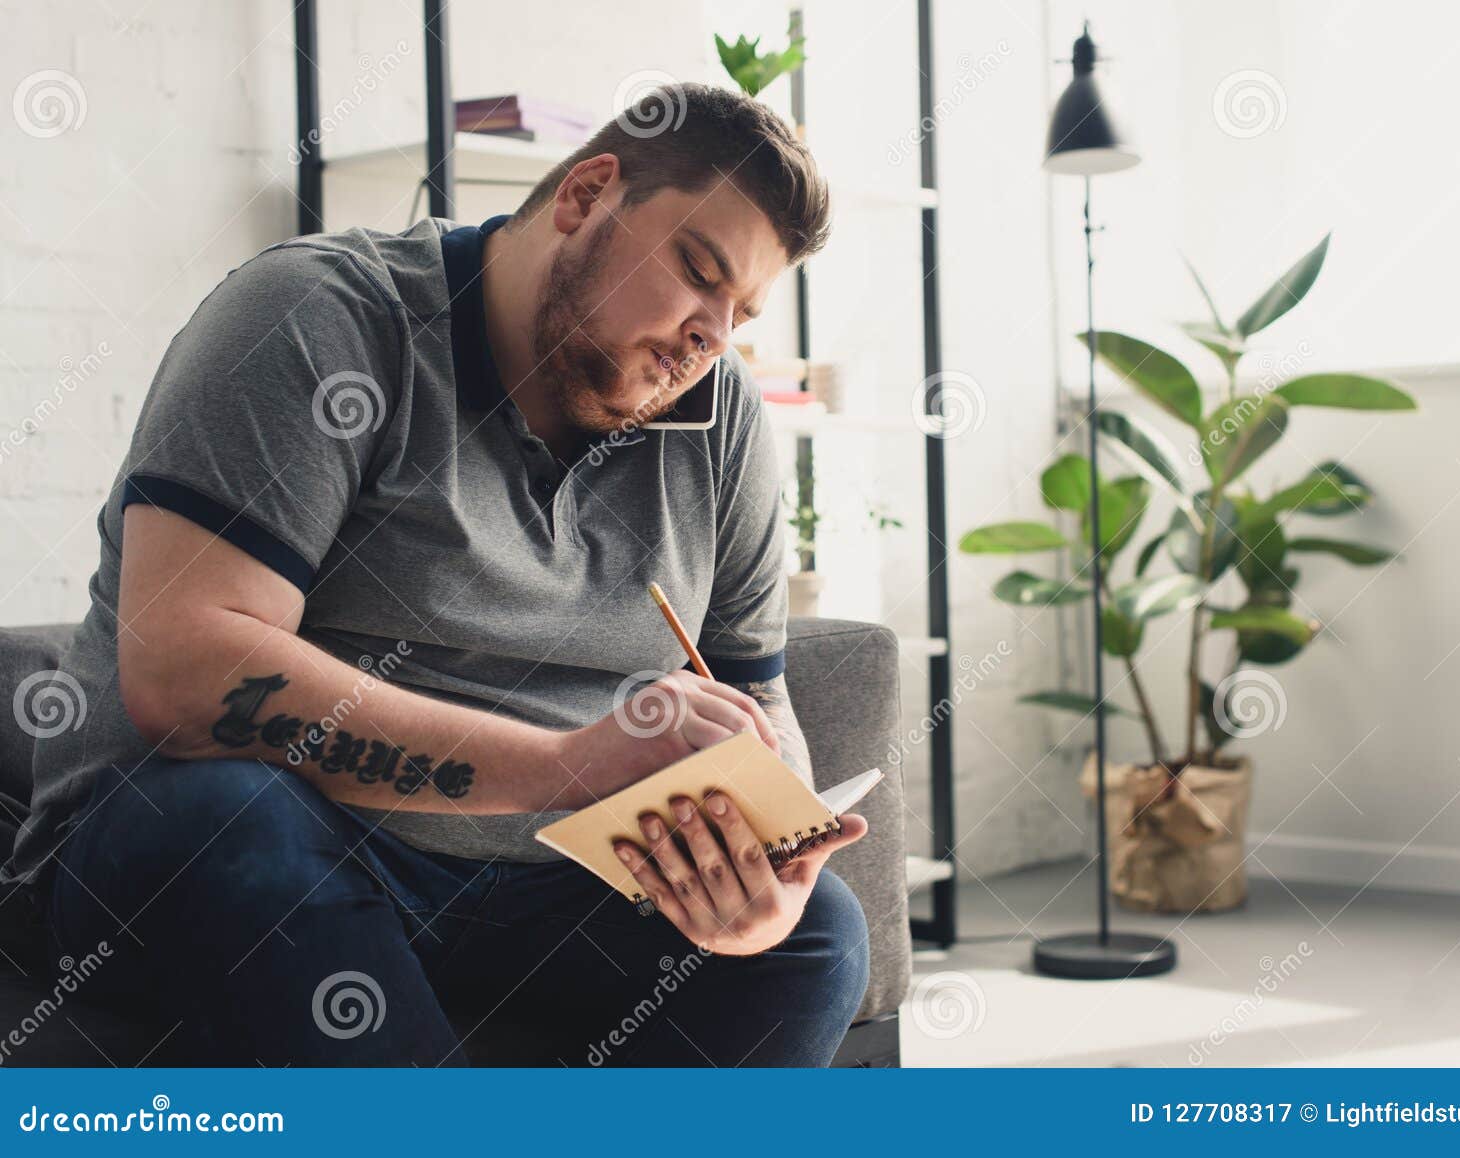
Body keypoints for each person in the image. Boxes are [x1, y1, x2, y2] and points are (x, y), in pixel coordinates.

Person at [1, 82, 871, 1067]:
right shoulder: (324, 319)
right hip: (235, 847)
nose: (711, 333)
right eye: (697, 271)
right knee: (223, 824)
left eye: (738, 311)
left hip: (546, 887)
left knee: (816, 937)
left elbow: (760, 698)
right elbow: (187, 675)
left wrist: (770, 860)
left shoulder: (719, 419)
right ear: (586, 196)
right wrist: (564, 766)